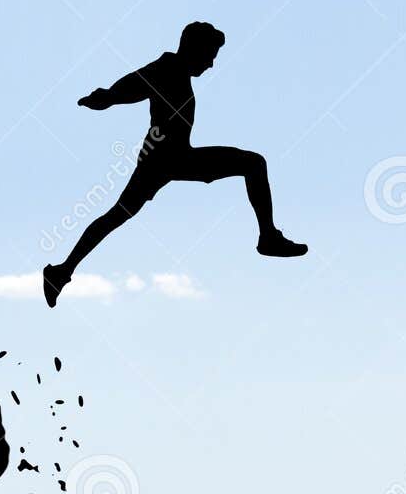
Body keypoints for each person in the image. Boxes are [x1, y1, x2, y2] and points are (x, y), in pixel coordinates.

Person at [42, 21, 306, 307]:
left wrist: (110, 96)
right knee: (253, 163)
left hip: (172, 157)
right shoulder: (166, 68)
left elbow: (134, 84)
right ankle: (268, 238)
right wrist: (108, 97)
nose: (211, 65)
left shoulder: (175, 70)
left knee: (117, 214)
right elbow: (135, 84)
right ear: (194, 49)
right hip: (167, 158)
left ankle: (62, 271)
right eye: (210, 56)